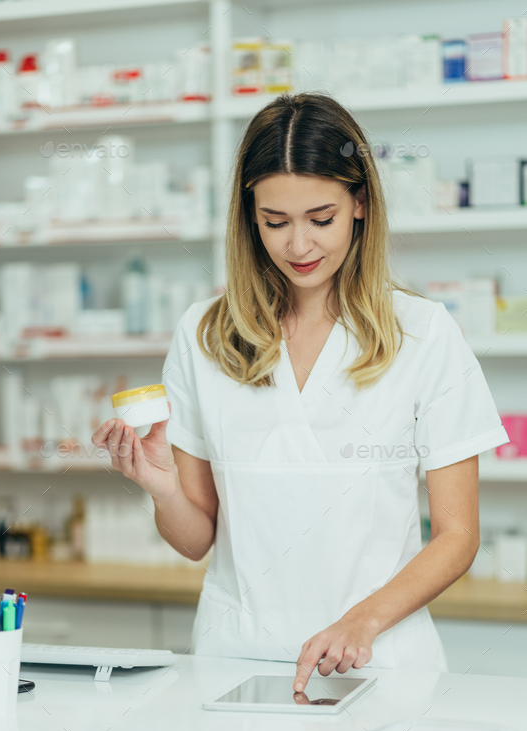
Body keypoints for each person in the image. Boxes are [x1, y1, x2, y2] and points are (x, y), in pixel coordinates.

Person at [92, 93, 508, 693]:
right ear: (248, 216)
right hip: (235, 664)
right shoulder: (205, 334)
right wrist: (161, 486)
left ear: (359, 203)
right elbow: (195, 541)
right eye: (275, 222)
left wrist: (360, 623)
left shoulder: (422, 333)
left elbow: (458, 536)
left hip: (379, 661)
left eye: (321, 218)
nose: (299, 246)